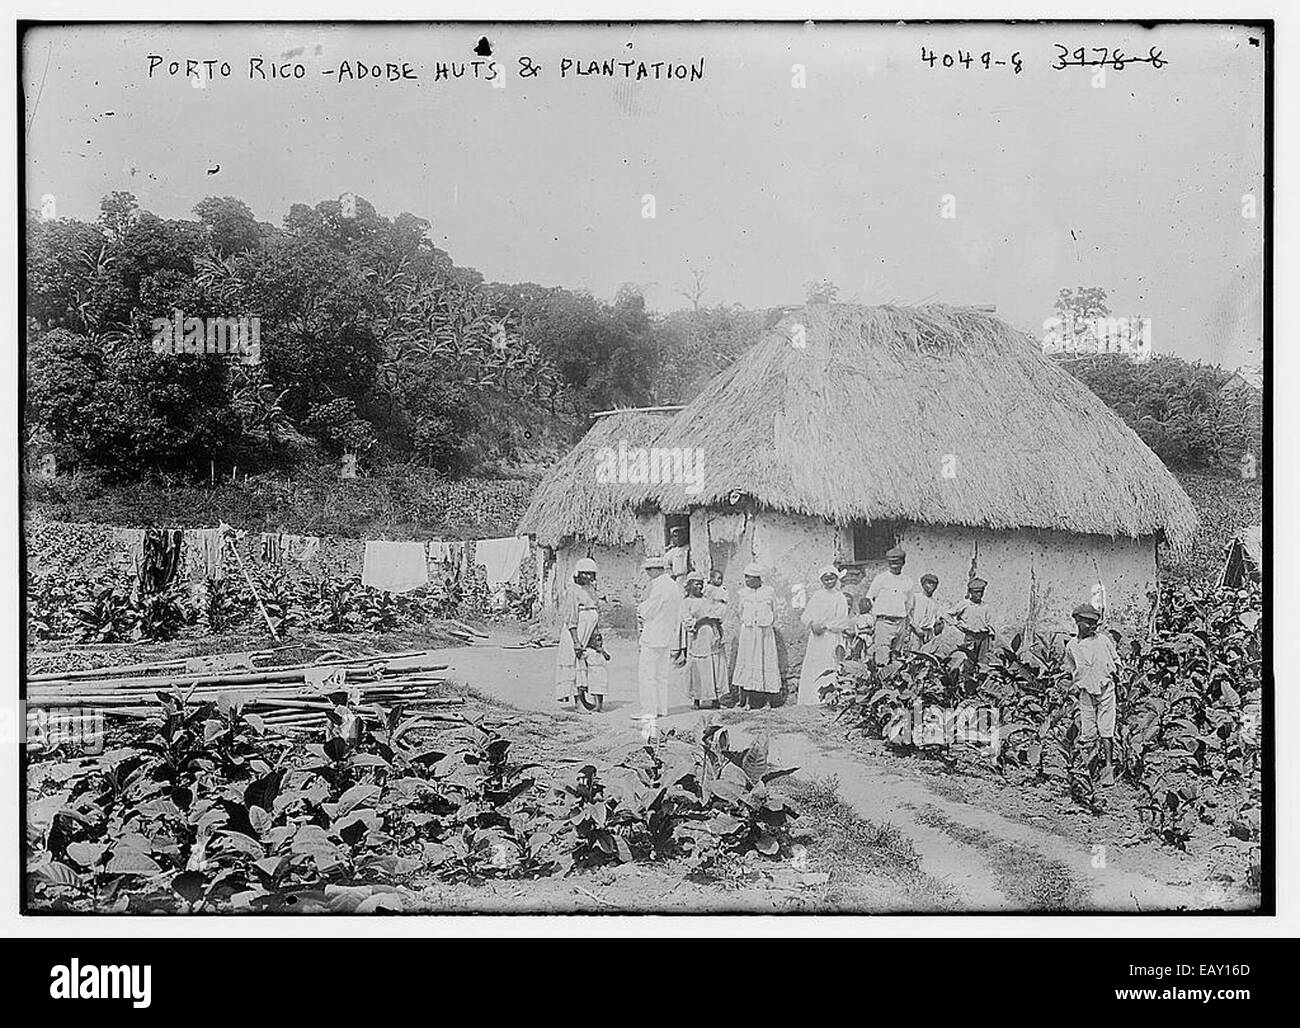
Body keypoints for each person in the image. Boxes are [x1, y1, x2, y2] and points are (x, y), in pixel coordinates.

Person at [1064, 602, 1118, 787]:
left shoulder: (1103, 640)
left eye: (1095, 623)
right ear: (1078, 621)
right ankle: (1089, 769)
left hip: (1105, 689)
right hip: (1086, 692)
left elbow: (1116, 660)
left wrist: (1116, 674)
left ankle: (1108, 768)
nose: (1093, 626)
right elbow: (1071, 669)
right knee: (1088, 732)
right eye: (1088, 622)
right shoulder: (1072, 646)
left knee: (1106, 730)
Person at [636, 554, 682, 723]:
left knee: (647, 675)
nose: (648, 573)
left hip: (653, 635)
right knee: (661, 674)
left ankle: (649, 710)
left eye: (649, 570)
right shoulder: (673, 586)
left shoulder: (659, 586)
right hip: (667, 635)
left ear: (656, 570)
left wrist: (640, 608)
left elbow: (649, 610)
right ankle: (661, 708)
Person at [554, 557, 603, 710]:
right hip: (574, 634)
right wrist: (576, 641)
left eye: (591, 574)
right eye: (585, 574)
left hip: (587, 633)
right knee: (575, 665)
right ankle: (578, 703)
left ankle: (584, 698)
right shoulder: (572, 591)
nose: (588, 577)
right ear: (578, 573)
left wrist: (595, 636)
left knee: (586, 665)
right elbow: (571, 618)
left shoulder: (590, 590)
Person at [797, 565, 850, 705]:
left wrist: (826, 625)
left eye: (831, 578)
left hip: (831, 636)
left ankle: (830, 697)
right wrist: (813, 624)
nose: (829, 581)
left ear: (836, 579)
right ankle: (812, 697)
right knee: (815, 664)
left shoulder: (840, 597)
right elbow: (806, 615)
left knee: (829, 662)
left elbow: (842, 620)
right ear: (822, 580)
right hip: (817, 638)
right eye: (826, 579)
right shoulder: (817, 596)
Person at [677, 571, 729, 709]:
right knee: (698, 667)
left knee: (715, 665)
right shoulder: (686, 603)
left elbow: (717, 616)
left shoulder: (707, 600)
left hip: (712, 636)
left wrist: (719, 632)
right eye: (696, 584)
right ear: (689, 586)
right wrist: (702, 619)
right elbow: (687, 622)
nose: (699, 586)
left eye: (701, 583)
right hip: (698, 638)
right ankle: (697, 698)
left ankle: (716, 699)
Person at [733, 563, 780, 708]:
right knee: (747, 662)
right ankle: (745, 701)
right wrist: (749, 621)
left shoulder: (769, 592)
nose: (747, 580)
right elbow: (739, 611)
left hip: (764, 633)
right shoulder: (743, 593)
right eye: (746, 577)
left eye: (750, 577)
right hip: (748, 632)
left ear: (758, 578)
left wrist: (764, 621)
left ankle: (767, 701)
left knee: (765, 662)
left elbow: (775, 610)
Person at [866, 546, 915, 666]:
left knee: (897, 657)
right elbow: (869, 598)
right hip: (884, 623)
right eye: (892, 563)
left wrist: (904, 620)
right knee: (882, 657)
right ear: (888, 563)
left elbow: (909, 604)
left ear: (903, 563)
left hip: (900, 622)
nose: (894, 565)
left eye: (897, 562)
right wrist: (876, 615)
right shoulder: (881, 579)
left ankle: (894, 683)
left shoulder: (907, 581)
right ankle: (882, 683)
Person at [949, 577, 994, 666]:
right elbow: (948, 614)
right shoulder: (964, 604)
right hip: (971, 636)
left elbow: (988, 622)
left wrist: (991, 635)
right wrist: (958, 624)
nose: (979, 594)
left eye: (981, 592)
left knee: (983, 662)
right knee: (969, 660)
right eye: (976, 592)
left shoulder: (985, 606)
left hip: (984, 637)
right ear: (970, 592)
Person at [910, 573, 945, 651]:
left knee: (927, 656)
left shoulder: (935, 603)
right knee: (913, 654)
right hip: (916, 632)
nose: (931, 586)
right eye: (929, 583)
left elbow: (935, 619)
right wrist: (916, 628)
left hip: (929, 633)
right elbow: (908, 616)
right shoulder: (915, 597)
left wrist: (939, 623)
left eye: (934, 584)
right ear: (923, 584)